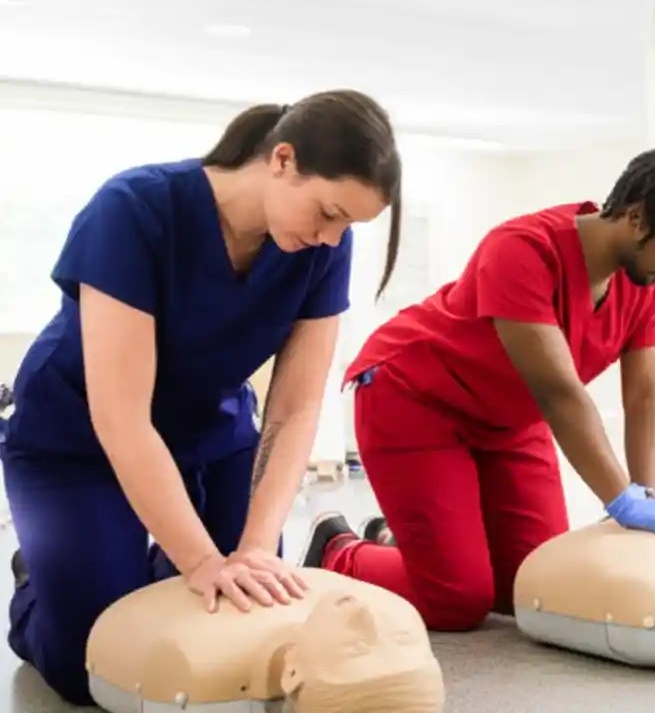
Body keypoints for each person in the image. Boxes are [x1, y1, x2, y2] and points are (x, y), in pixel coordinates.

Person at [0, 90, 402, 706]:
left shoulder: (322, 245)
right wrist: (201, 561)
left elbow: (294, 410)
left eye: (348, 224)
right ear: (282, 160)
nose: (331, 237)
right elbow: (122, 417)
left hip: (208, 431)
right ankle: (40, 583)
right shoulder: (132, 210)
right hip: (76, 439)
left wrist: (254, 546)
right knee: (91, 664)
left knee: (246, 605)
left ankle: (123, 564)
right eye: (328, 212)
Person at [298, 148, 655, 632]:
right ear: (635, 219)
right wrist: (621, 500)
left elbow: (647, 393)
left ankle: (400, 538)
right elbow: (560, 394)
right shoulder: (523, 249)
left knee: (530, 587)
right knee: (457, 601)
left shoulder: (644, 281)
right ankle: (338, 549)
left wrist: (647, 496)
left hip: (508, 418)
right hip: (415, 398)